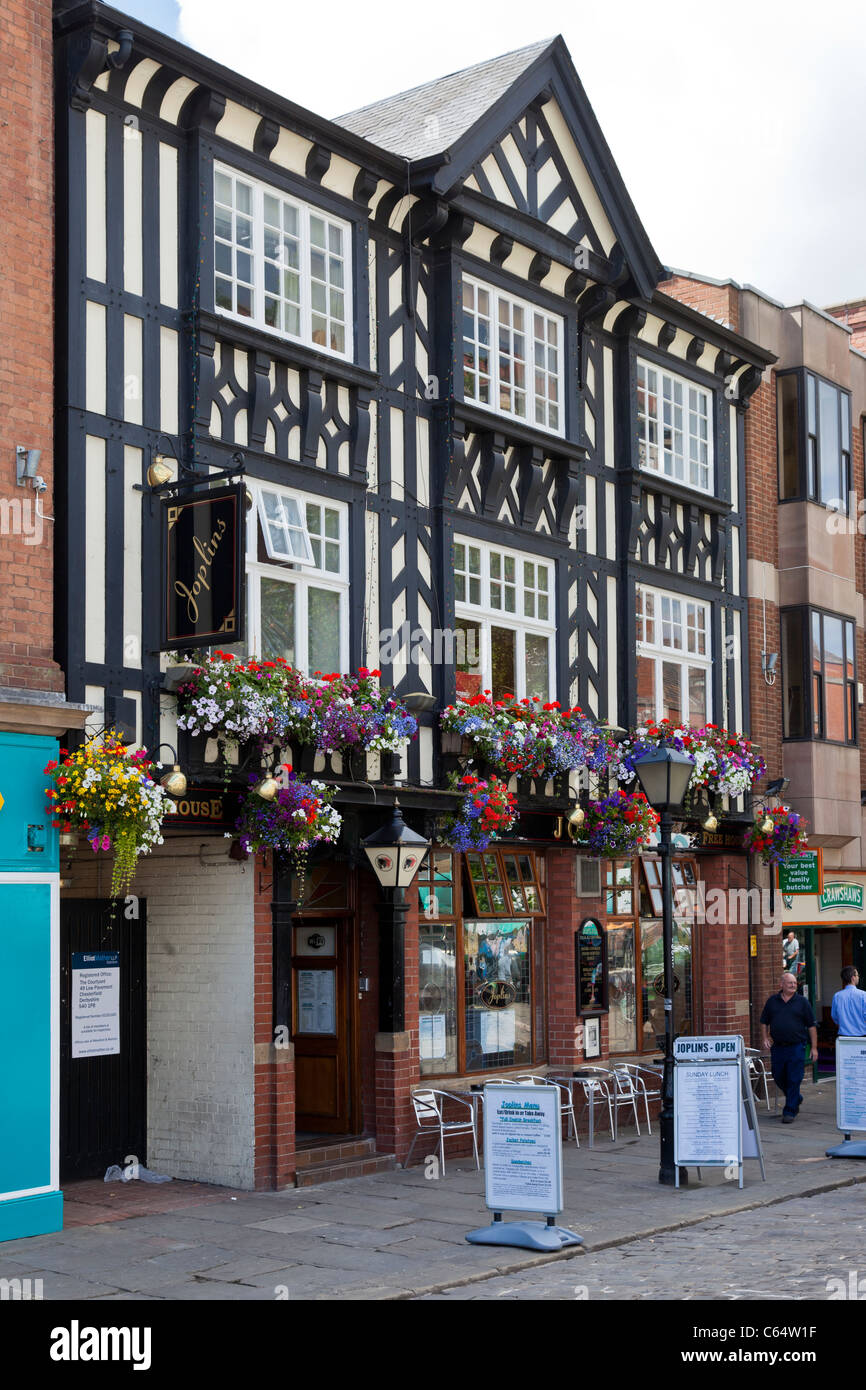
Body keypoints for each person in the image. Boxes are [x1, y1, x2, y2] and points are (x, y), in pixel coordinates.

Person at [760, 972, 818, 1123]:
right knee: (778, 1076)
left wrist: (814, 1048)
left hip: (796, 1047)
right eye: (790, 983)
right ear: (781, 984)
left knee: (794, 1079)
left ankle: (790, 1111)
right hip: (778, 1047)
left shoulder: (802, 1002)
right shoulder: (772, 1001)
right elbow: (764, 1021)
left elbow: (811, 1026)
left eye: (794, 983)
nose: (793, 985)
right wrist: (765, 1037)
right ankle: (796, 1098)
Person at [831, 965, 866, 1036]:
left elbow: (834, 1016)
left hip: (843, 1036)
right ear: (853, 978)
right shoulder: (863, 995)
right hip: (862, 1036)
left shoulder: (837, 996)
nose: (858, 977)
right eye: (857, 975)